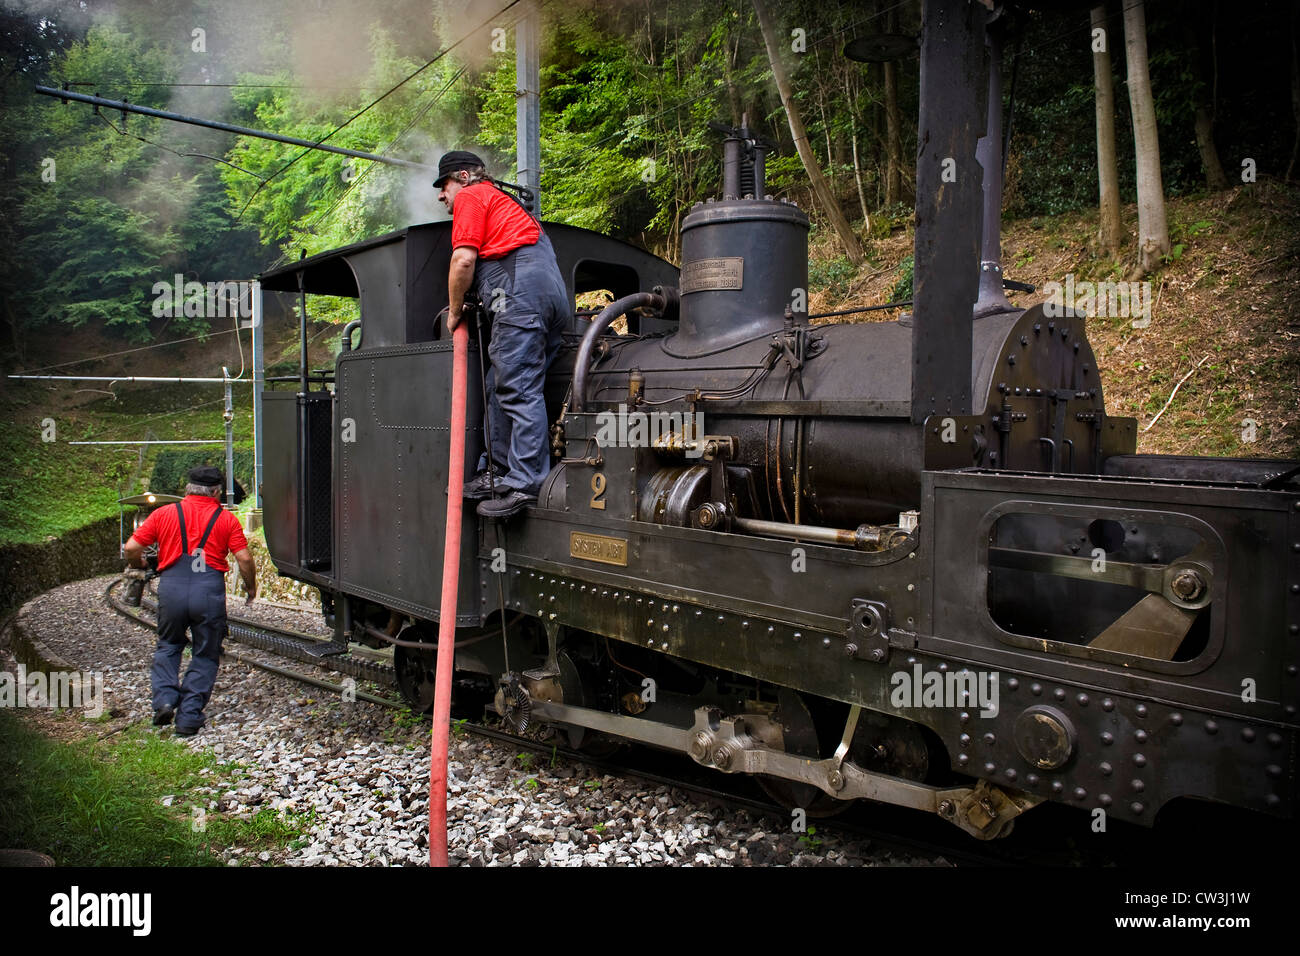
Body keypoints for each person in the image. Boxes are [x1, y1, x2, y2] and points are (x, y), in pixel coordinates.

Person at [435, 149, 570, 519]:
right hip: (551, 297)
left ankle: (526, 482)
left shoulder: (473, 196)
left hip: (520, 296)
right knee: (501, 382)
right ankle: (496, 470)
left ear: (463, 177)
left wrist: (455, 310)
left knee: (517, 387)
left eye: (443, 185)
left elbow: (463, 260)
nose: (441, 196)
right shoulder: (512, 208)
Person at [123, 466, 257, 736]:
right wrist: (250, 587)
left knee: (168, 645)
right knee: (206, 654)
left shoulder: (164, 514)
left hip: (172, 588)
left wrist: (137, 563)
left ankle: (164, 701)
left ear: (187, 489)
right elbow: (244, 558)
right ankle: (188, 718)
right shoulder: (226, 519)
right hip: (208, 591)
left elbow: (131, 548)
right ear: (217, 492)